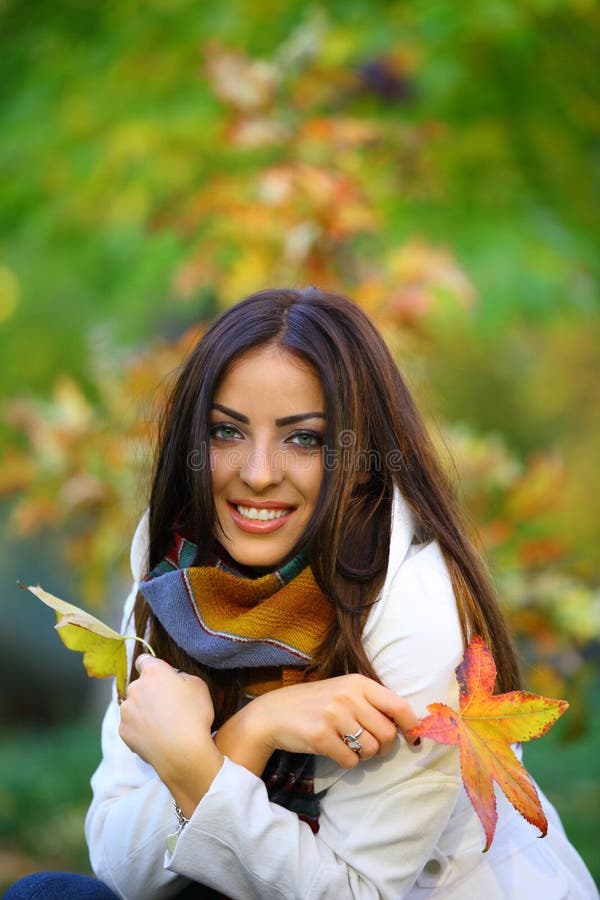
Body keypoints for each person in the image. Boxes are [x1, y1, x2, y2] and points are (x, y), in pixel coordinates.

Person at [6, 287, 597, 900]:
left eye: (304, 439)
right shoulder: (170, 587)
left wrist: (201, 770)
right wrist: (250, 734)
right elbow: (121, 867)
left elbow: (359, 894)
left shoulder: (414, 610)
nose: (258, 472)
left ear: (362, 457)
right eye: (226, 432)